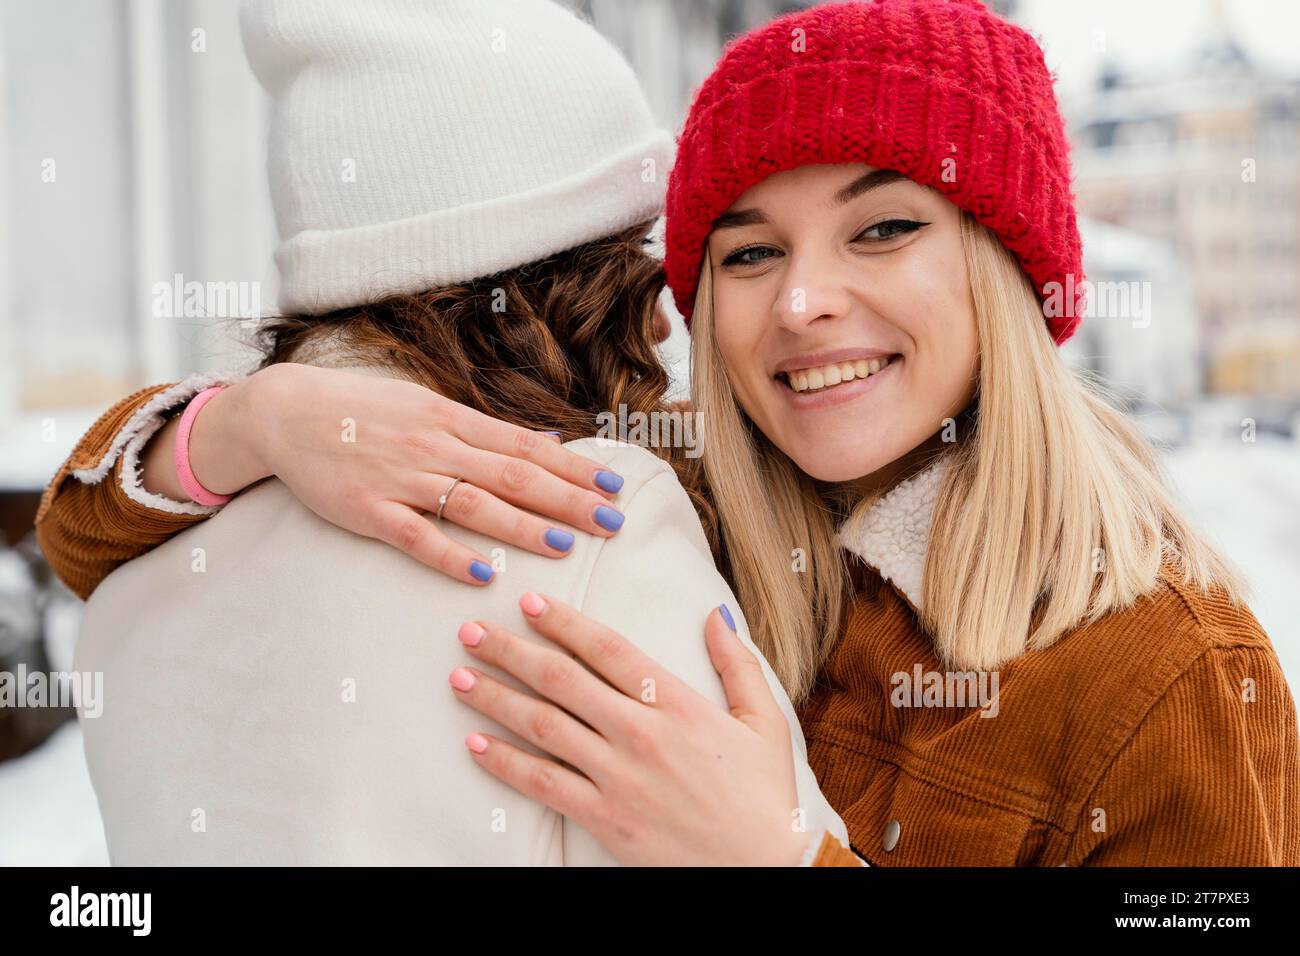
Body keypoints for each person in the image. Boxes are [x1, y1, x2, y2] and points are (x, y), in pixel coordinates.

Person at [40, 0, 1299, 866]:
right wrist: (254, 418)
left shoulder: (1175, 676)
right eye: (748, 251)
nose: (802, 300)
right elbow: (86, 532)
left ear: (1010, 275)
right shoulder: (678, 503)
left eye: (884, 228)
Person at [56, 0, 851, 866]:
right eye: (628, 262)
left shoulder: (133, 582)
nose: (662, 326)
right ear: (552, 291)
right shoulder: (593, 522)